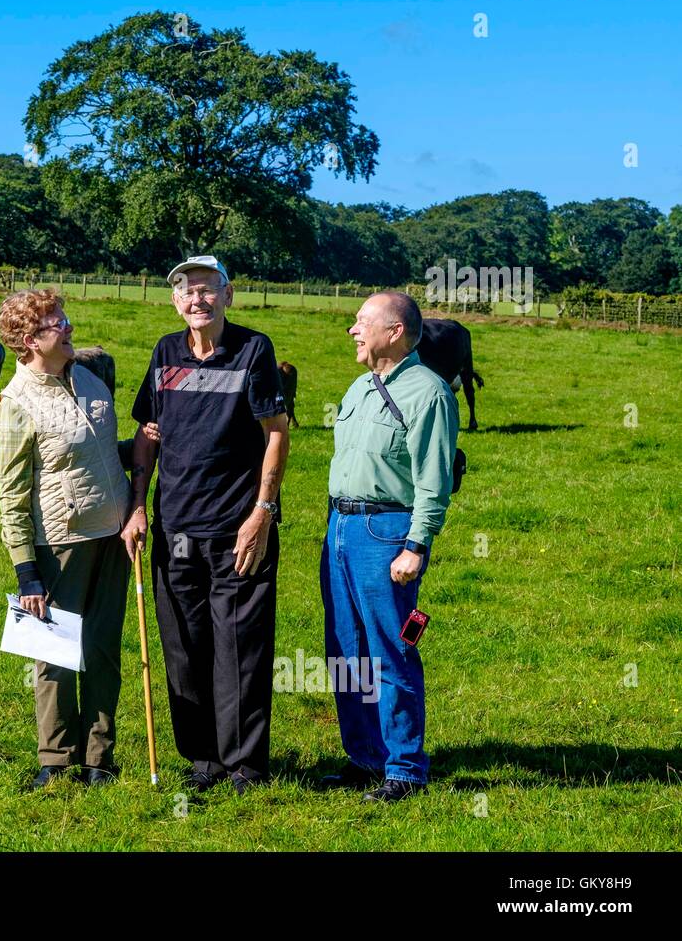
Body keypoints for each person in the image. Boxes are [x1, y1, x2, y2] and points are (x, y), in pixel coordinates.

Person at [121, 255, 291, 794]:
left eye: (207, 290)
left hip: (237, 530)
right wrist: (137, 505)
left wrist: (262, 513)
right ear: (175, 301)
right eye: (187, 292)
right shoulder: (165, 353)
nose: (198, 300)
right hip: (174, 531)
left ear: (228, 294)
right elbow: (149, 432)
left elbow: (277, 432)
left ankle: (244, 765)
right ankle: (203, 760)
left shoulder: (253, 349)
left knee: (239, 650)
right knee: (183, 650)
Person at [321, 291, 459, 802]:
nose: (353, 330)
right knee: (346, 651)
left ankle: (403, 767)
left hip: (387, 534)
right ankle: (365, 758)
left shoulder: (430, 393)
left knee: (391, 649)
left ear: (394, 331)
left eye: (362, 322)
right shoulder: (360, 387)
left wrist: (417, 544)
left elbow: (433, 479)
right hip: (340, 527)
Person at [0, 288, 133, 789]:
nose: (68, 326)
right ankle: (55, 760)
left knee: (102, 650)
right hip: (59, 544)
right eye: (56, 323)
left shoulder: (91, 380)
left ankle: (101, 758)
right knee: (54, 654)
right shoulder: (15, 404)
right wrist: (26, 571)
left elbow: (98, 453)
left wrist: (140, 447)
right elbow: (11, 496)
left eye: (64, 317)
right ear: (30, 340)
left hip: (114, 538)